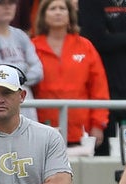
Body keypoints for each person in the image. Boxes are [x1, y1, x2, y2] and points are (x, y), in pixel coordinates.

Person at [78, 0, 126, 156]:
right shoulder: (90, 3)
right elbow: (96, 41)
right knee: (103, 154)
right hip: (102, 91)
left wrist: (112, 36)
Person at [31, 0, 109, 147]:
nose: (58, 12)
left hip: (81, 131)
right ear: (43, 15)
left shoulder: (85, 46)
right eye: (52, 8)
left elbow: (99, 89)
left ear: (70, 15)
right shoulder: (32, 47)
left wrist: (98, 124)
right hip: (43, 129)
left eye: (62, 8)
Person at [0, 0, 43, 122]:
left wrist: (16, 77)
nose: (7, 7)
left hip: (26, 103)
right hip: (0, 104)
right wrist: (24, 68)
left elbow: (38, 71)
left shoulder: (21, 35)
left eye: (11, 3)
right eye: (1, 3)